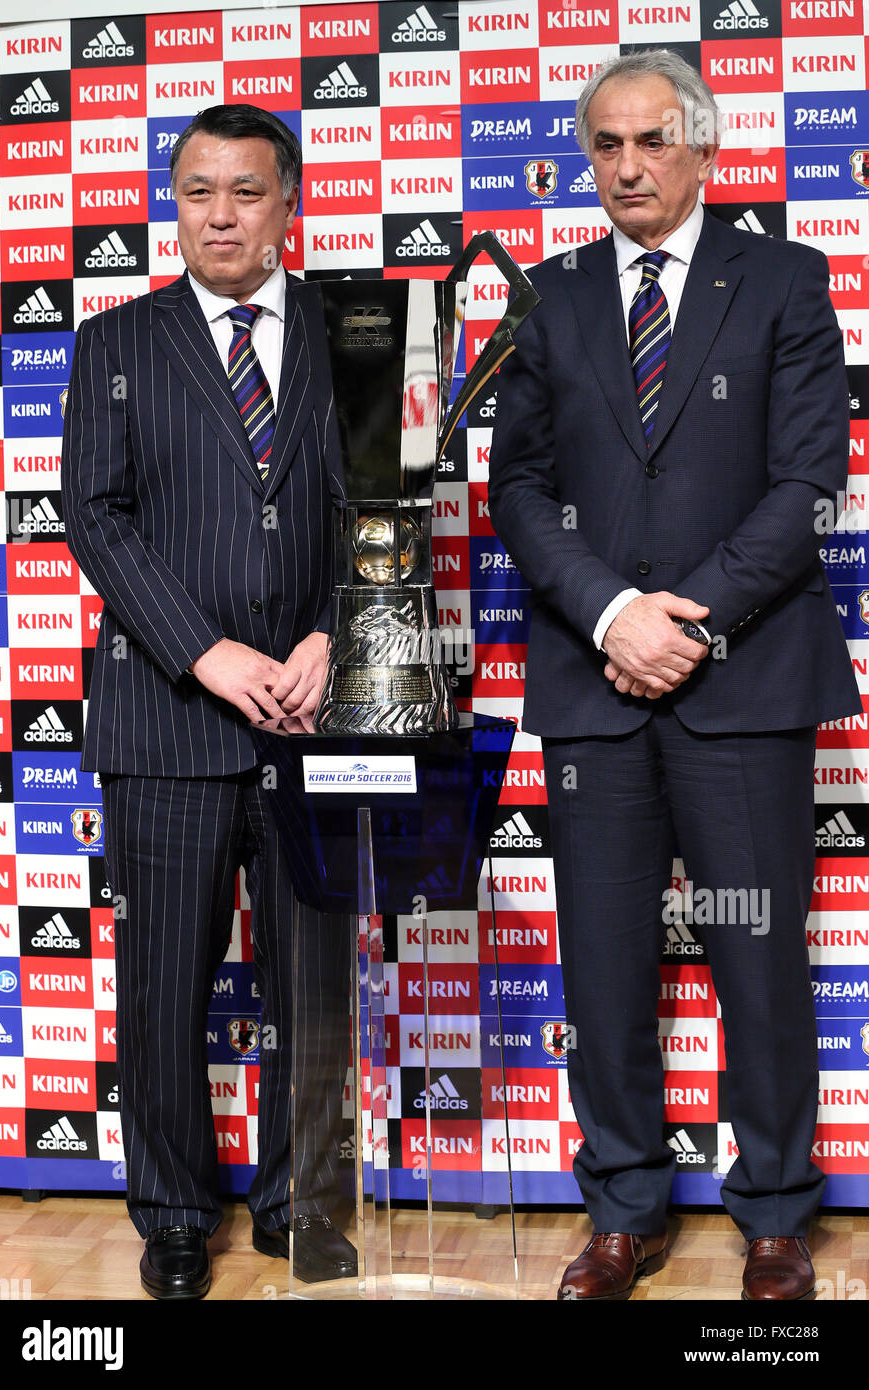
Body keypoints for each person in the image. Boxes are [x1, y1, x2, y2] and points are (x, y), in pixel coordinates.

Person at [488, 49, 860, 1302]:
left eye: (653, 140)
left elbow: (810, 479)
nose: (629, 165)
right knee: (602, 963)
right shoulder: (554, 296)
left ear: (704, 151)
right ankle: (622, 1211)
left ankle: (771, 1214)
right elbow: (519, 491)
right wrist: (610, 615)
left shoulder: (788, 281)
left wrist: (686, 623)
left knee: (757, 956)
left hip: (743, 679)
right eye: (606, 144)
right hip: (596, 684)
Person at [61, 104, 354, 1299]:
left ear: (289, 202)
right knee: (164, 985)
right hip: (168, 719)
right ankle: (176, 1214)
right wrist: (209, 653)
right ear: (173, 202)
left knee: (314, 988)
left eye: (245, 191)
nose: (220, 214)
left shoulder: (358, 334)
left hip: (315, 717)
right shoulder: (117, 341)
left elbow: (387, 501)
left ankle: (298, 1201)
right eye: (196, 192)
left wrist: (338, 631)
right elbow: (96, 513)